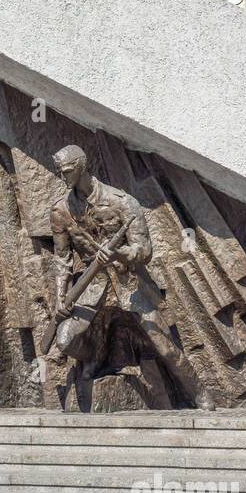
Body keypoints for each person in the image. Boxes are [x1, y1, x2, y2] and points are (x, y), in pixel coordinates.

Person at [48, 144, 216, 410]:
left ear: (82, 165)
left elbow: (144, 251)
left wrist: (118, 253)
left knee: (164, 346)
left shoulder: (123, 202)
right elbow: (62, 259)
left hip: (130, 283)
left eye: (67, 171)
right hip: (91, 286)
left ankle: (199, 393)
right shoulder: (61, 211)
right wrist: (60, 297)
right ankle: (98, 355)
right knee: (65, 339)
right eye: (59, 172)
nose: (63, 177)